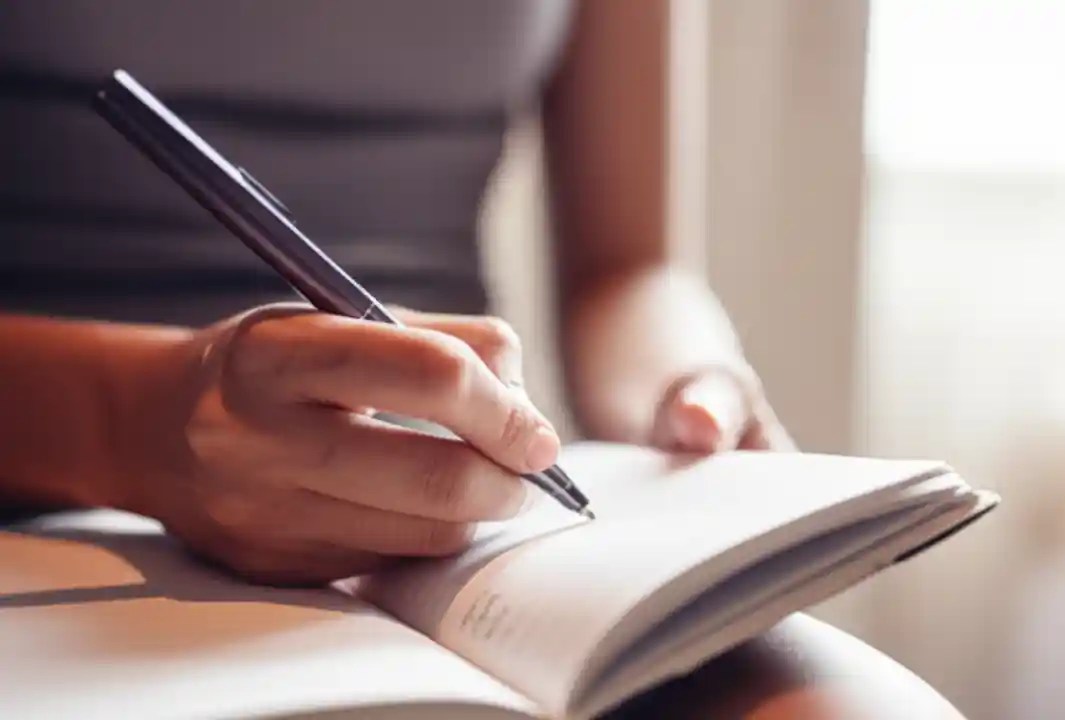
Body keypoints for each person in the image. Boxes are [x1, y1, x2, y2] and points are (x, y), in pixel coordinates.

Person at [0, 2, 964, 717]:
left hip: (448, 527)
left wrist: (688, 382)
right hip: (51, 507)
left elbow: (629, 269)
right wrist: (131, 423)